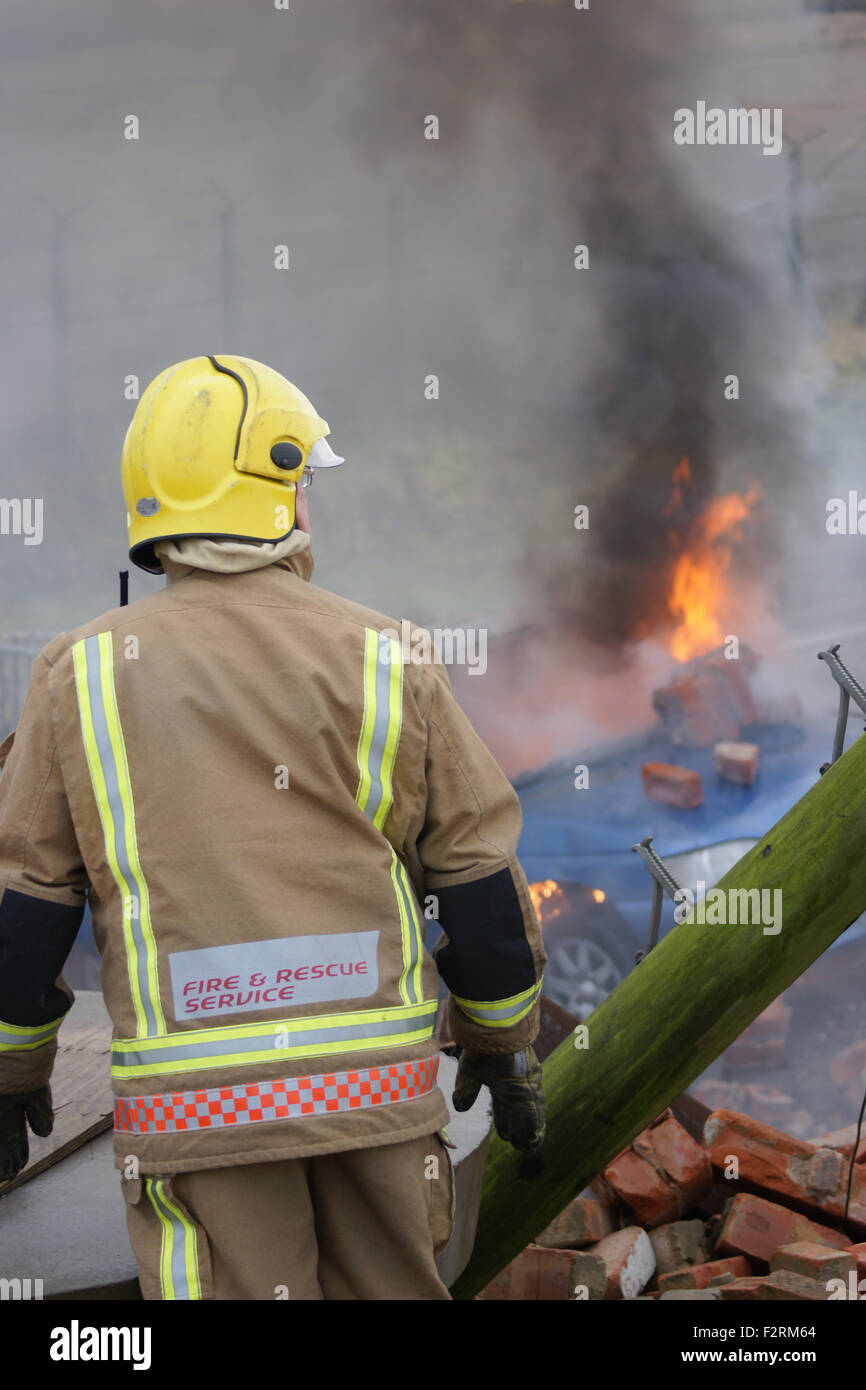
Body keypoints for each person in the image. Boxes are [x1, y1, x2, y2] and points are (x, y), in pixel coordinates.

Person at [0, 354, 546, 1300]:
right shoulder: (390, 658)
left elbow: (26, 906)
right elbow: (479, 881)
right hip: (376, 1107)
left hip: (201, 1124)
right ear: (278, 496)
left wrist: (10, 1076)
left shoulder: (78, 675)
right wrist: (504, 1049)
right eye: (300, 481)